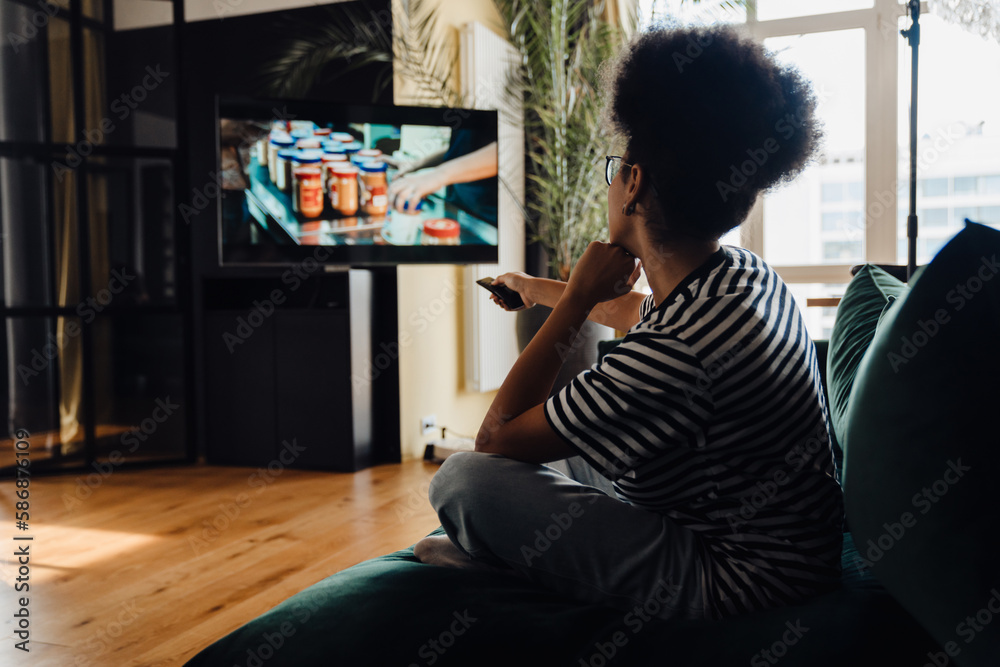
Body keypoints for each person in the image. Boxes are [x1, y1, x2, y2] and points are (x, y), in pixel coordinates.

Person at [413, 25, 843, 622]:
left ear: (633, 184)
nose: (613, 180)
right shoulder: (744, 277)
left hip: (736, 577)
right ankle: (518, 551)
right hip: (775, 538)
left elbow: (496, 439)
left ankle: (515, 565)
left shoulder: (677, 352)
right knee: (559, 455)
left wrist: (575, 298)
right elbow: (640, 313)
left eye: (616, 167)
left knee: (465, 480)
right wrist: (538, 290)